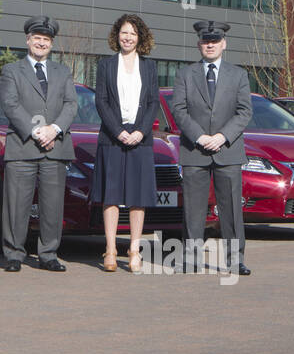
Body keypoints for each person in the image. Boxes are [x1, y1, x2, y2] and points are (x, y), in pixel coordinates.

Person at [169, 20, 252, 275]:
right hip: (195, 150)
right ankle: (191, 258)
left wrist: (222, 136)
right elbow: (179, 110)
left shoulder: (238, 74)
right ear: (199, 44)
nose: (210, 45)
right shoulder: (185, 74)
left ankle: (235, 259)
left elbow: (244, 111)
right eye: (206, 41)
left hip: (228, 151)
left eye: (215, 41)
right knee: (193, 208)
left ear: (223, 44)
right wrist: (200, 136)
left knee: (231, 209)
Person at [0, 16, 78, 272]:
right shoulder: (12, 70)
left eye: (46, 39)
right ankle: (13, 254)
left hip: (55, 147)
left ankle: (49, 254)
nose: (41, 43)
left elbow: (71, 104)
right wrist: (36, 131)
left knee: (52, 205)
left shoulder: (63, 71)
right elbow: (11, 104)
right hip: (23, 146)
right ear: (28, 40)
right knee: (16, 204)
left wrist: (53, 130)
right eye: (37, 38)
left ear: (51, 43)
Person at [91, 14, 159, 273]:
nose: (128, 37)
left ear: (140, 37)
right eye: (123, 32)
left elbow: (153, 102)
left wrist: (141, 132)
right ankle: (109, 249)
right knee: (111, 195)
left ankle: (134, 250)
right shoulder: (106, 65)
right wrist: (118, 131)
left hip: (141, 138)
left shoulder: (150, 67)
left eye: (132, 33)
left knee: (137, 197)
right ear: (116, 36)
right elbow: (101, 101)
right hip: (112, 137)